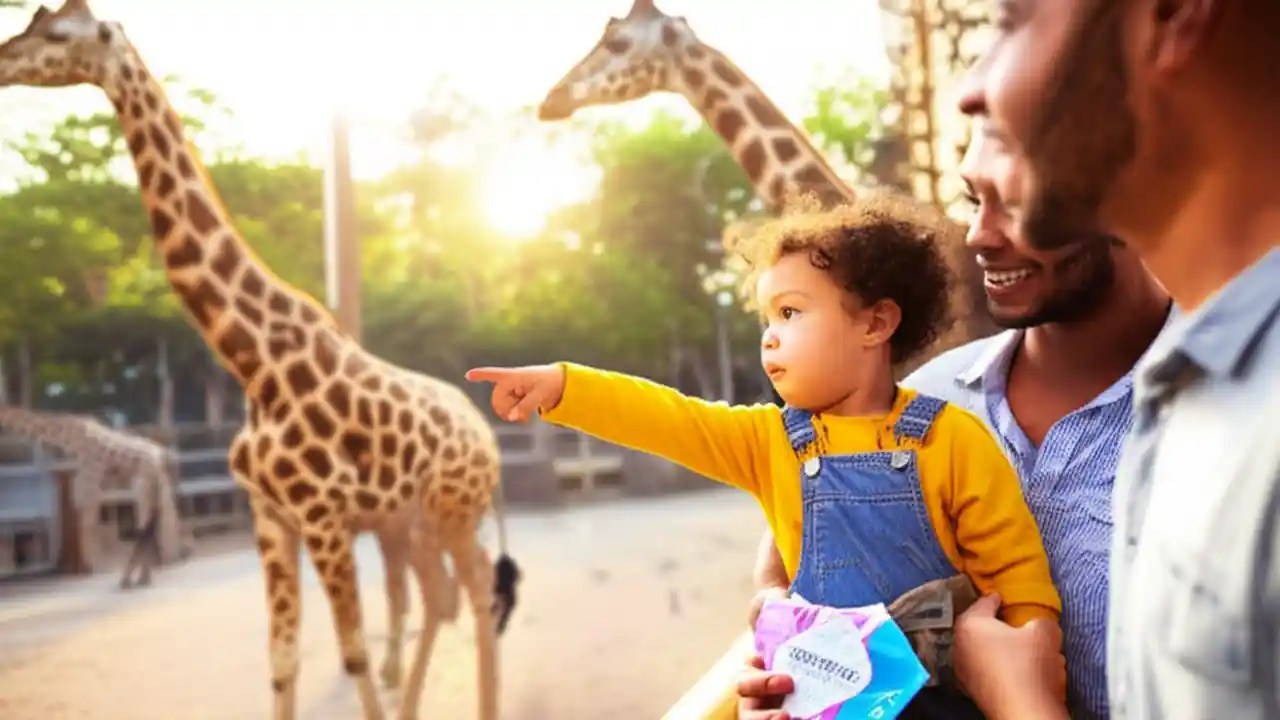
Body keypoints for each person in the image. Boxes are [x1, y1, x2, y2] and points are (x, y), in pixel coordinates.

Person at [467, 193, 1064, 717]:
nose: (769, 336)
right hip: (820, 695)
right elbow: (670, 419)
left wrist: (1035, 658)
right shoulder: (771, 440)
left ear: (875, 324)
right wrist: (565, 388)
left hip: (935, 697)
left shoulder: (950, 438)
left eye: (790, 312)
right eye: (767, 318)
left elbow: (1014, 570)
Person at [738, 125, 1172, 720]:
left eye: (1020, 205)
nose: (977, 236)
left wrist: (1016, 697)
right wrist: (785, 670)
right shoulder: (919, 400)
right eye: (974, 200)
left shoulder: (1244, 424)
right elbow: (792, 550)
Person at [951, 1, 1280, 718]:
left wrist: (1019, 701)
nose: (971, 89)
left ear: (1174, 15)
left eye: (1012, 22)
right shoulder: (1193, 387)